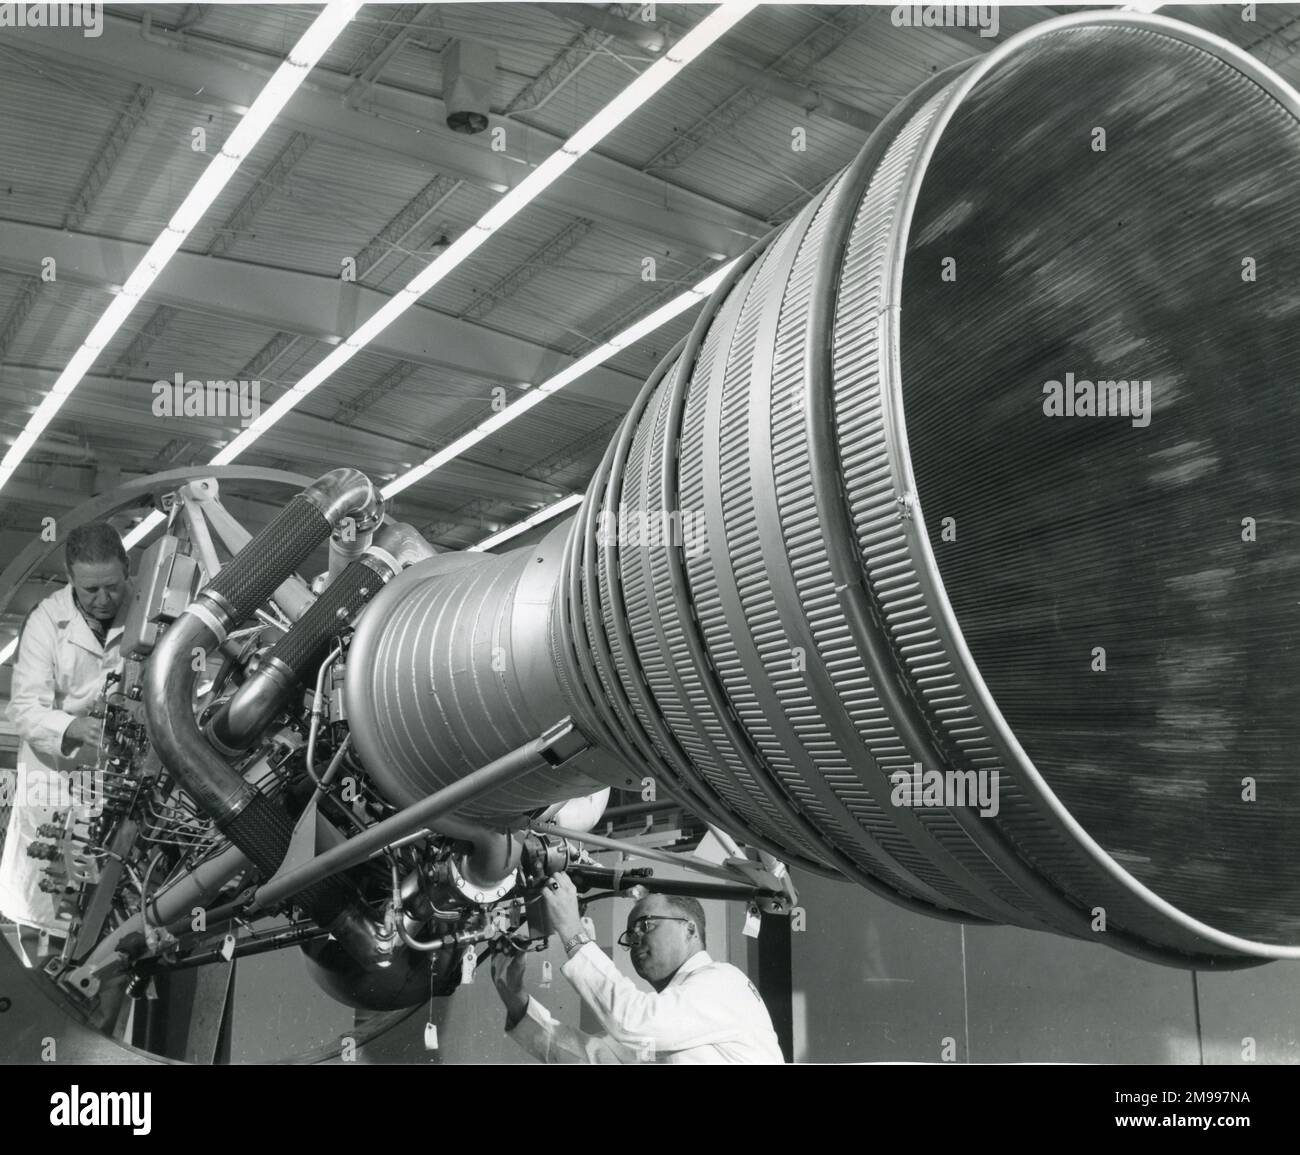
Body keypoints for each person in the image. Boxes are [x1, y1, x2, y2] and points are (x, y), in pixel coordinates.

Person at [0, 523, 132, 965]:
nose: (101, 599)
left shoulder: (151, 613)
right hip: (52, 777)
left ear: (127, 571)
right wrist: (71, 728)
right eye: (89, 589)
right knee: (39, 909)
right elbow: (23, 708)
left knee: (102, 909)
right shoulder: (46, 621)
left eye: (111, 587)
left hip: (110, 779)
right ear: (70, 579)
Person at [492, 872, 784, 1063]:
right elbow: (589, 1057)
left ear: (690, 930)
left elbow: (635, 1022)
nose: (635, 939)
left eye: (646, 925)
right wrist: (515, 998)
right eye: (630, 934)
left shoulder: (725, 982)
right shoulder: (670, 1023)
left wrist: (572, 931)